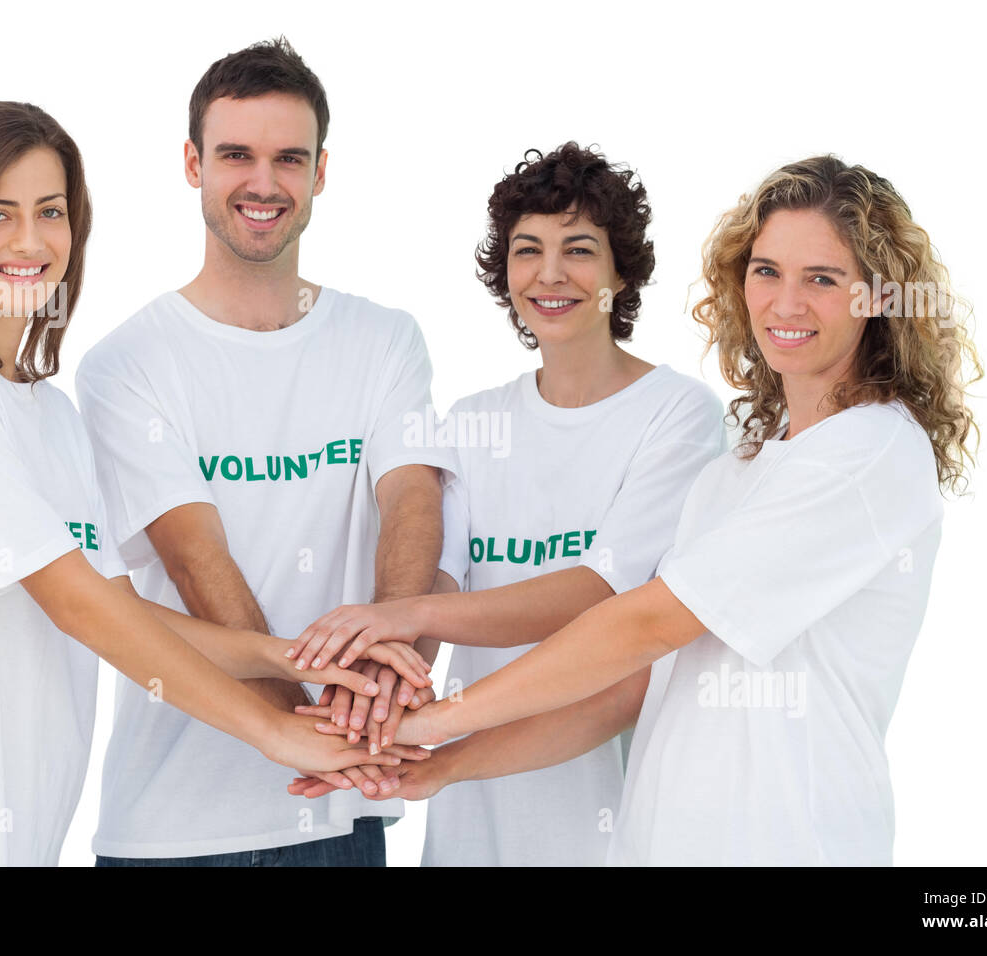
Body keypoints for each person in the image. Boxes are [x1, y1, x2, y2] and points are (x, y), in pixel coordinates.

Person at [292, 154, 982, 866]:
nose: (786, 302)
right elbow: (628, 688)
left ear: (876, 298)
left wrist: (434, 715)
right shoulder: (739, 468)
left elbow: (641, 621)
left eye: (823, 278)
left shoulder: (868, 451)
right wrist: (442, 762)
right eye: (768, 271)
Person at [0, 101, 426, 867]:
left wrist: (293, 661)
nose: (30, 240)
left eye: (50, 211)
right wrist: (273, 729)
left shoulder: (53, 416)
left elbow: (130, 615)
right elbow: (77, 603)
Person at [286, 142, 724, 865]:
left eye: (579, 250)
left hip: (608, 822)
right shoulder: (471, 420)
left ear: (622, 269)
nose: (550, 275)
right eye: (528, 251)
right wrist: (375, 709)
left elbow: (598, 592)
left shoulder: (679, 414)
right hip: (470, 813)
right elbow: (441, 587)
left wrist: (405, 614)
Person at [75, 38, 452, 867]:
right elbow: (195, 563)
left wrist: (380, 685)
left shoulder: (385, 339)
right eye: (236, 155)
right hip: (178, 830)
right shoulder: (125, 364)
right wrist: (317, 727)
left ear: (320, 172)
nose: (263, 183)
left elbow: (414, 502)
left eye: (289, 158)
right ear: (192, 164)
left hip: (343, 823)